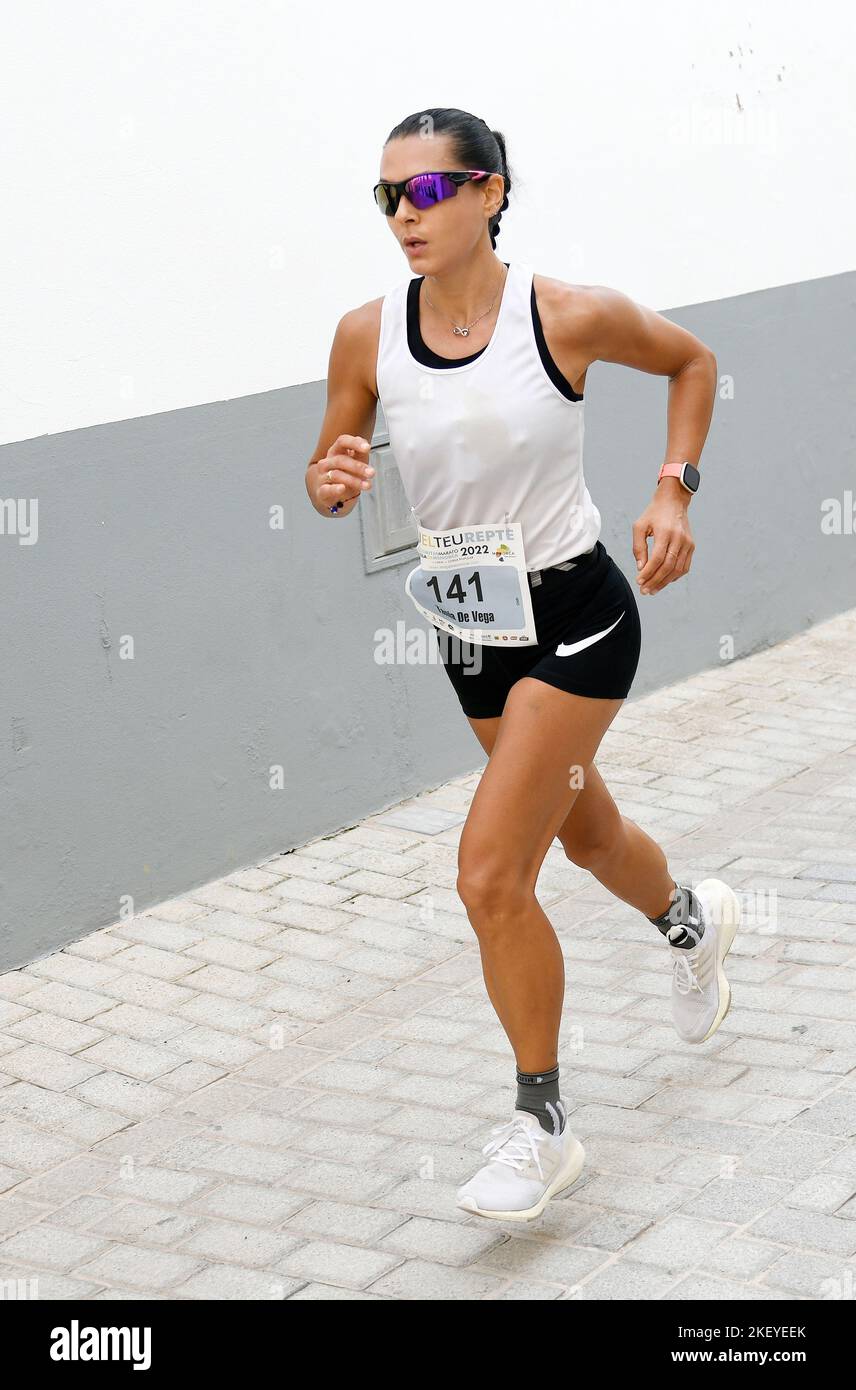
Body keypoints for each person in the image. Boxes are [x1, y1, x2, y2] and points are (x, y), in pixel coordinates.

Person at [305, 107, 741, 1223]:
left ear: (491, 192)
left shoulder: (564, 313)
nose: (405, 212)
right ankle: (692, 921)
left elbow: (693, 362)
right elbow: (327, 464)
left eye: (430, 191)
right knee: (584, 831)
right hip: (470, 627)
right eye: (388, 196)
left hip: (578, 617)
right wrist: (331, 478)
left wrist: (671, 488)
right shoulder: (365, 333)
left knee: (491, 872)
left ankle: (541, 1123)